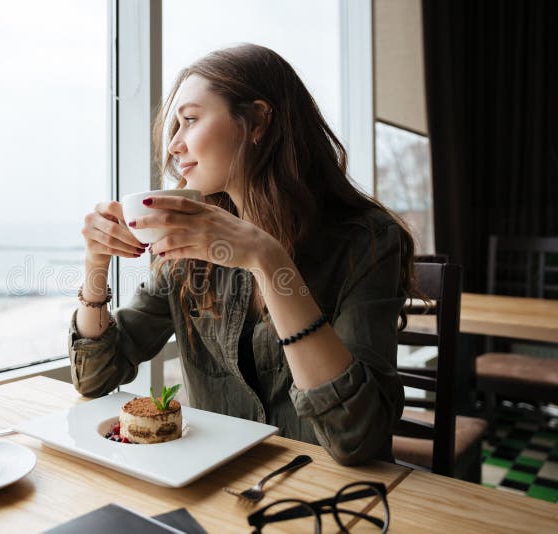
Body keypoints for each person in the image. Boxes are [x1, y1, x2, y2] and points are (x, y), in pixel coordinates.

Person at [70, 43, 419, 465]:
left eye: (190, 120)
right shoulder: (188, 250)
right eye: (174, 128)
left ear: (256, 120)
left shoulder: (367, 241)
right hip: (211, 485)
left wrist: (268, 261)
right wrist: (95, 263)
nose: (174, 146)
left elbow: (357, 438)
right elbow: (94, 377)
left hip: (326, 498)